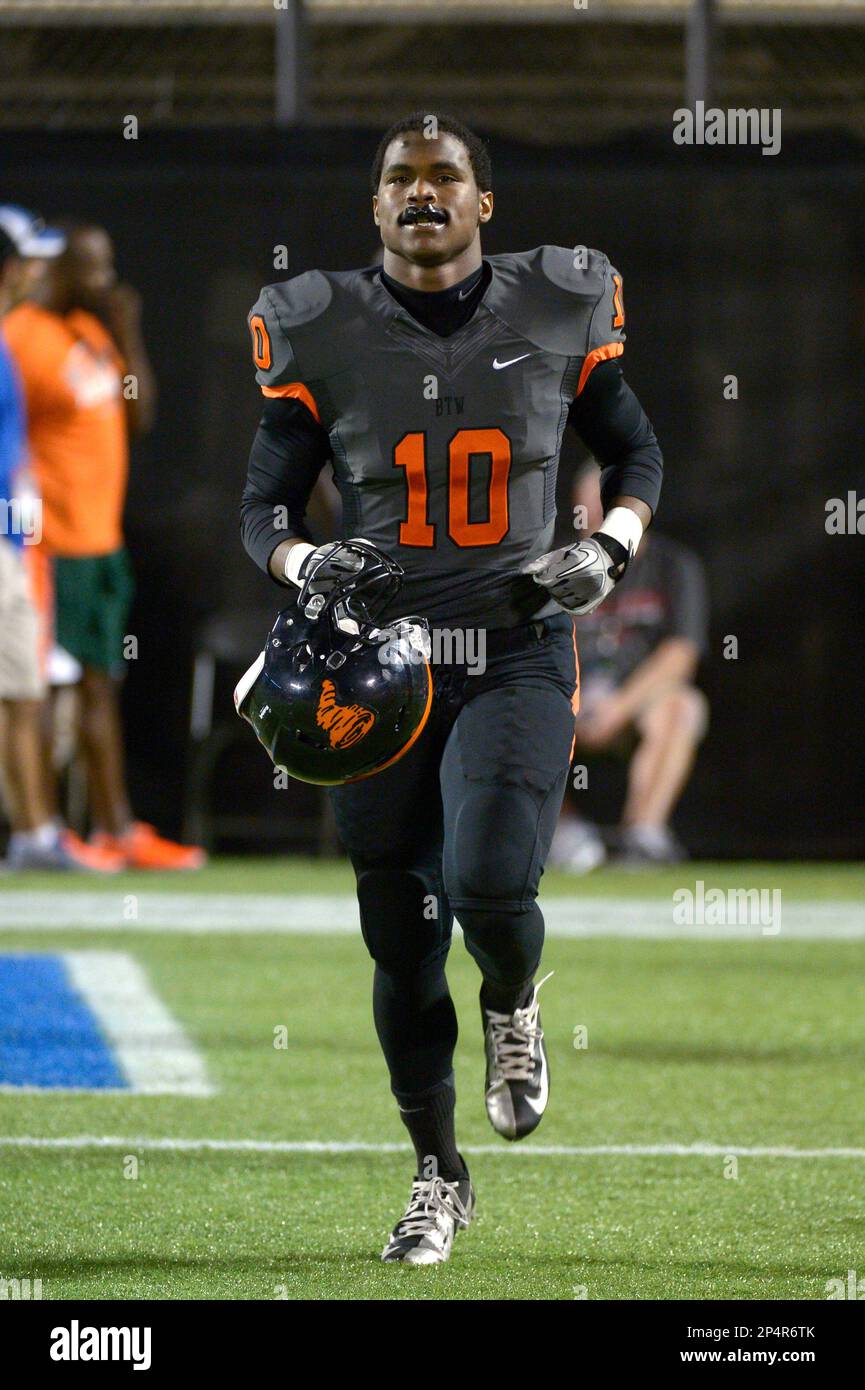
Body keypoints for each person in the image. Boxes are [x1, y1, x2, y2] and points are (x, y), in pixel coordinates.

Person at [240, 112, 663, 1264]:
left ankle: (515, 1000)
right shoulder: (317, 327)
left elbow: (635, 453)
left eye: (445, 177)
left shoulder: (557, 301)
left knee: (485, 879)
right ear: (373, 208)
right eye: (398, 179)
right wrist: (305, 560)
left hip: (515, 642)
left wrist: (611, 547)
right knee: (399, 933)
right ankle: (437, 1175)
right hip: (379, 663)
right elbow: (264, 509)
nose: (420, 192)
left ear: (485, 205)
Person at [3, 222, 205, 871]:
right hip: (50, 543)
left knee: (94, 689)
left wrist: (125, 332)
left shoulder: (92, 335)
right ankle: (47, 828)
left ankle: (107, 827)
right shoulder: (23, 338)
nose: (102, 282)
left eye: (106, 269)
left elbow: (138, 415)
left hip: (100, 540)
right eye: (89, 269)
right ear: (56, 270)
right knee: (43, 694)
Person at [0, 207, 124, 872]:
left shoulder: (50, 334)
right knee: (27, 691)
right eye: (31, 259)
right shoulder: (16, 337)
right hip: (26, 540)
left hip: (26, 540)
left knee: (27, 690)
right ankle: (37, 831)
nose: (37, 271)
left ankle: (37, 834)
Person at [550, 464, 709, 871]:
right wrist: (573, 698)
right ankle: (558, 830)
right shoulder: (555, 567)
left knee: (683, 706)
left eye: (605, 506)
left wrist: (618, 706)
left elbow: (680, 655)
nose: (592, 516)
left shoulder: (673, 566)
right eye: (585, 506)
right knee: (509, 703)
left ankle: (642, 834)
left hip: (632, 704)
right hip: (567, 699)